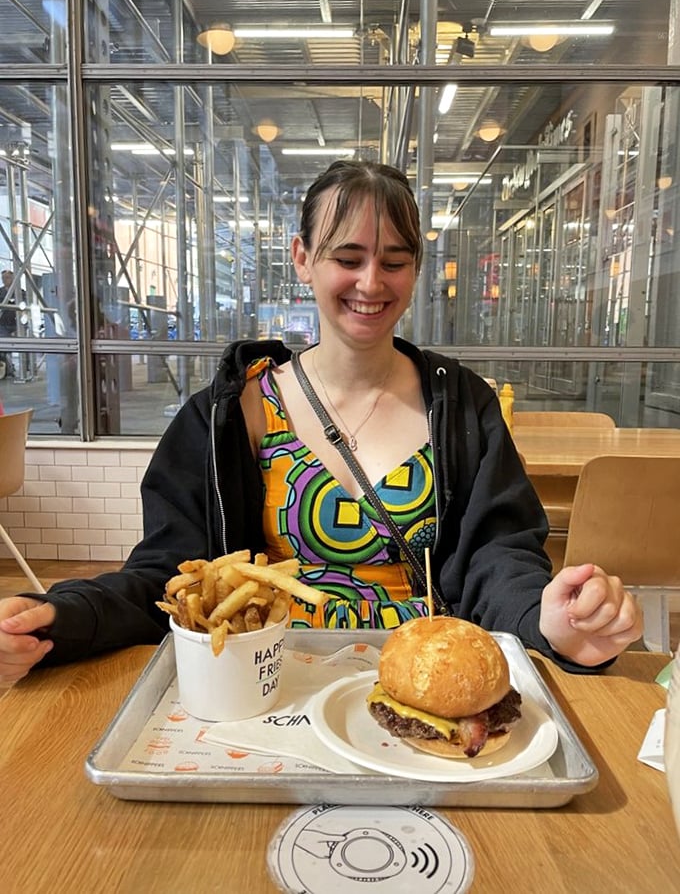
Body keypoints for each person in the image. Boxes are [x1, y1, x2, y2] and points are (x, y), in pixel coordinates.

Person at [0, 160, 642, 684]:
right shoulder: (236, 412)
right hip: (267, 687)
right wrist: (58, 616)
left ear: (415, 269)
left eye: (394, 260)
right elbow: (166, 575)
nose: (371, 281)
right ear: (303, 258)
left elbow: (499, 560)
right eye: (348, 256)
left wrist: (553, 624)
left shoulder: (463, 405)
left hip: (427, 678)